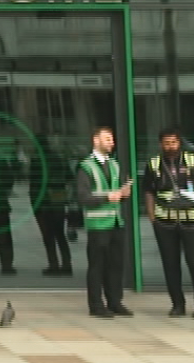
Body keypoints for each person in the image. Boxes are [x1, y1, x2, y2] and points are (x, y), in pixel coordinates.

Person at [144, 128, 194, 319]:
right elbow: (148, 191)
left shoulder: (193, 160)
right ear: (160, 144)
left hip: (191, 221)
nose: (170, 146)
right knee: (170, 265)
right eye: (166, 143)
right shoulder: (154, 164)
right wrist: (151, 217)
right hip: (165, 222)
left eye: (173, 142)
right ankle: (177, 305)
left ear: (179, 142)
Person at [75, 125, 134, 319]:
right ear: (96, 140)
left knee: (116, 264)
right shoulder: (86, 166)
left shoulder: (115, 164)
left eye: (112, 139)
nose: (112, 143)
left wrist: (124, 193)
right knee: (97, 266)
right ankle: (96, 305)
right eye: (108, 139)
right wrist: (109, 197)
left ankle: (115, 301)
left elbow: (116, 193)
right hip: (98, 225)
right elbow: (83, 197)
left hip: (116, 222)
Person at [34, 140, 74, 276]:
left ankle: (54, 264)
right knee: (59, 233)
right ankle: (66, 263)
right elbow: (70, 177)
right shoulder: (59, 160)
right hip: (58, 201)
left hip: (44, 202)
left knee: (48, 235)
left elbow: (35, 183)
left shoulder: (38, 161)